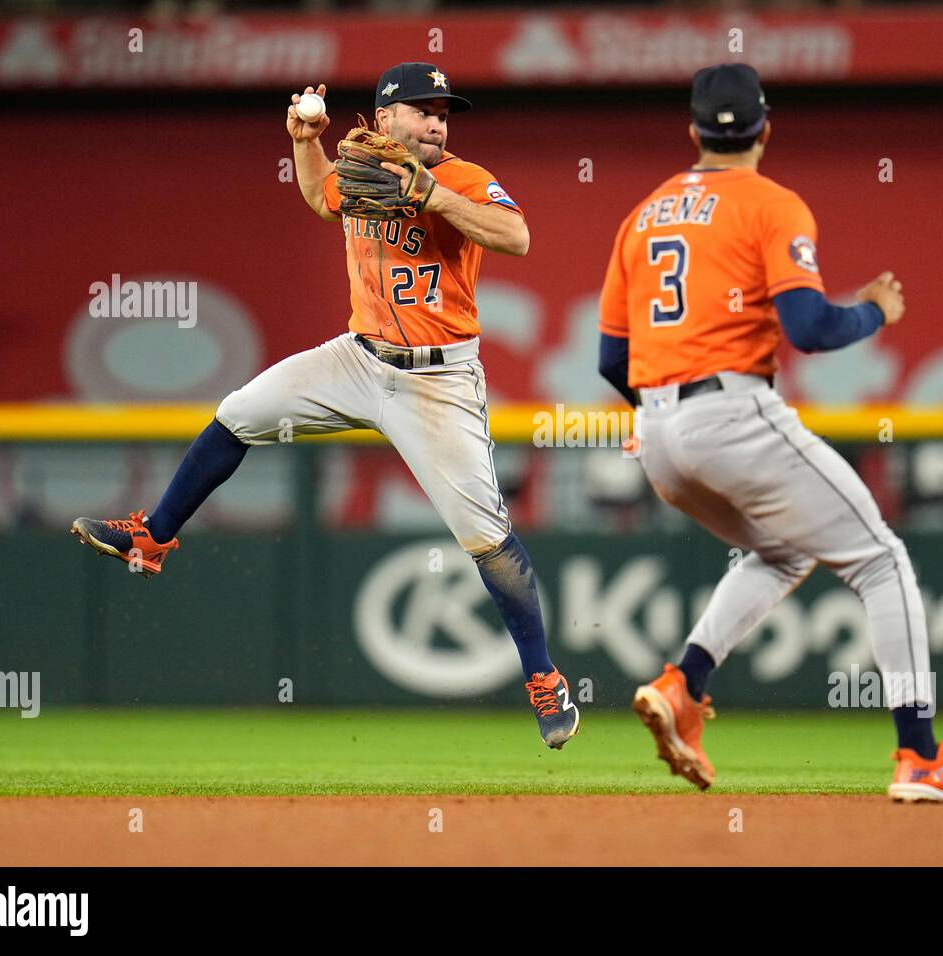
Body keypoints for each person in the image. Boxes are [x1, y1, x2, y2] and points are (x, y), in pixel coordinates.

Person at [70, 63, 579, 751]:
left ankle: (542, 677)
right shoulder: (363, 161)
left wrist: (433, 195)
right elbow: (318, 196)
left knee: (487, 539)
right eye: (422, 110)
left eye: (443, 112)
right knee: (241, 410)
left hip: (439, 378)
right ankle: (153, 536)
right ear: (386, 116)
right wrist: (305, 139)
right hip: (359, 357)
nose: (436, 122)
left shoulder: (460, 176)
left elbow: (515, 236)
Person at [598, 63, 943, 801]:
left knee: (780, 552)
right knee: (881, 561)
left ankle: (684, 683)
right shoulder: (771, 203)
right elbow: (809, 328)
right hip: (730, 411)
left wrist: (663, 410)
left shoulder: (644, 213)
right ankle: (920, 758)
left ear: (692, 131)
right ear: (766, 127)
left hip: (656, 433)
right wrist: (876, 310)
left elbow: (611, 358)